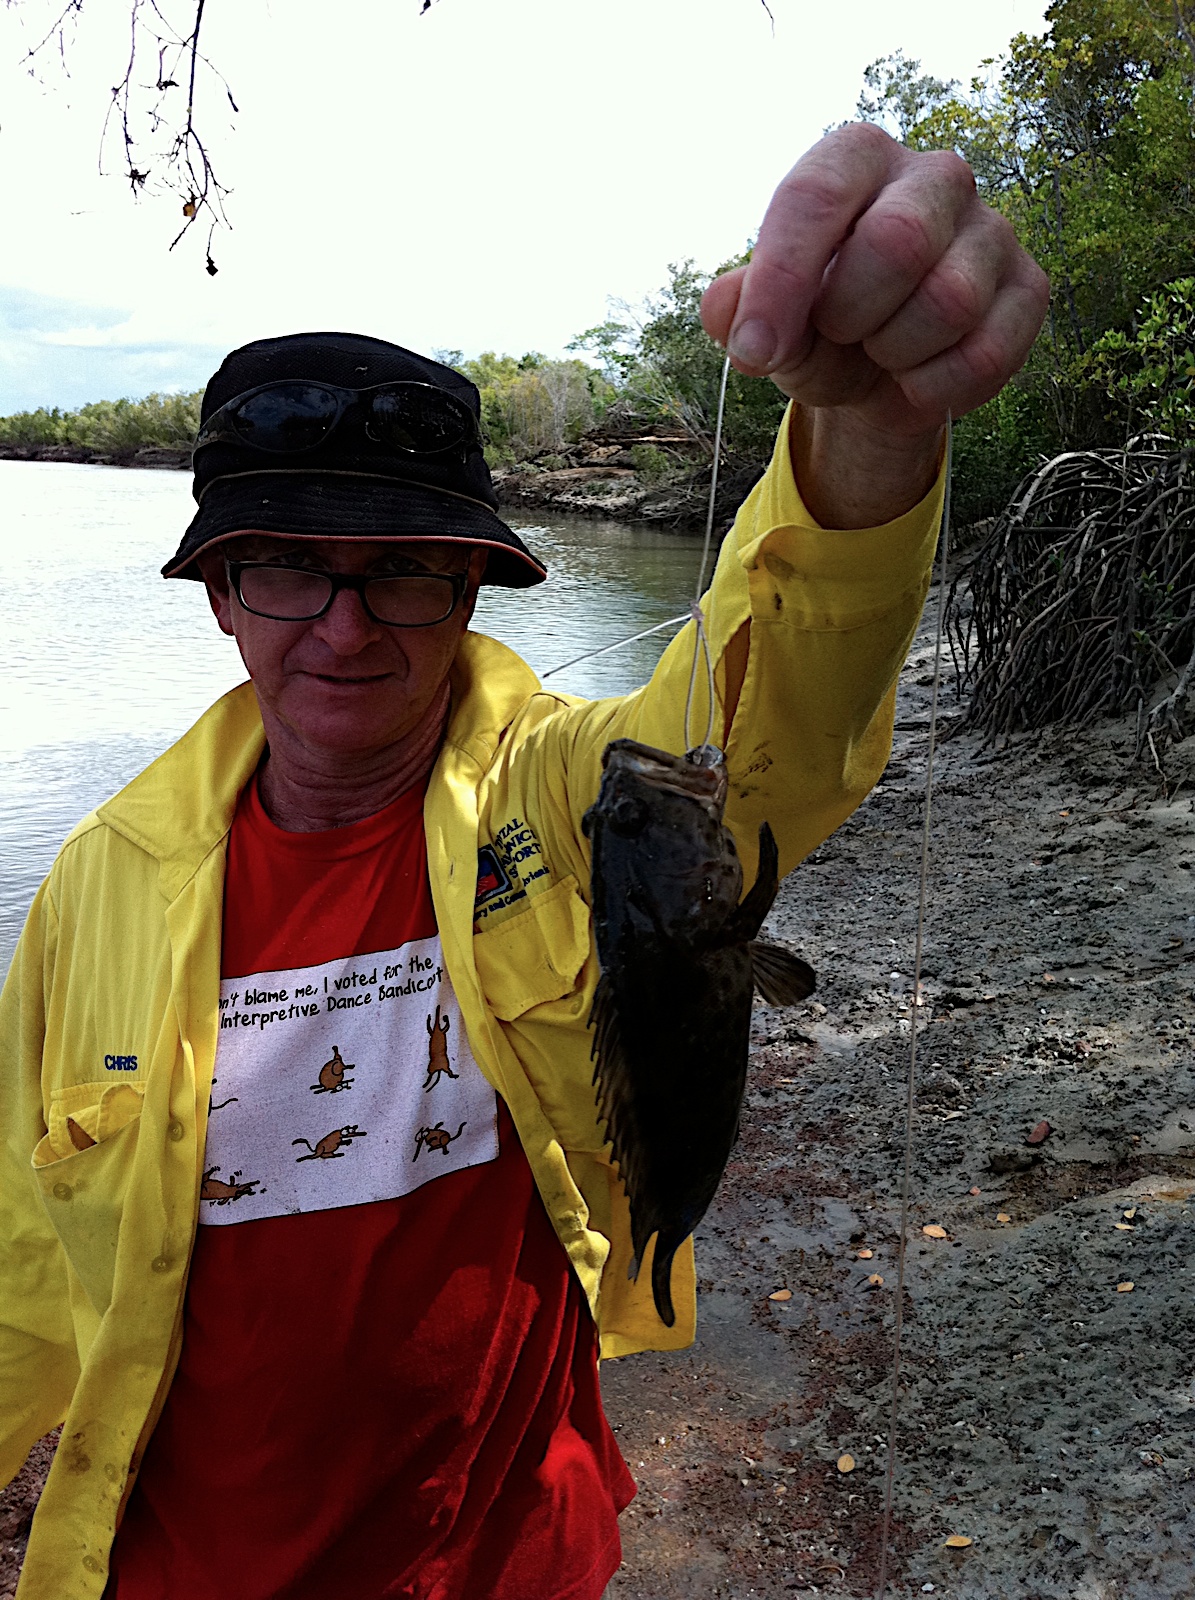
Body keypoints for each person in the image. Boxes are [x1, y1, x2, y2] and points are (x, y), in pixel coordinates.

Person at [0, 125, 1047, 1600]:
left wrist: (867, 432)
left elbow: (765, 724)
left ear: (477, 582)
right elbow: (20, 1261)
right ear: (222, 601)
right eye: (287, 566)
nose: (347, 628)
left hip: (516, 1558)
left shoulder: (561, 795)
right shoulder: (91, 892)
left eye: (407, 569)